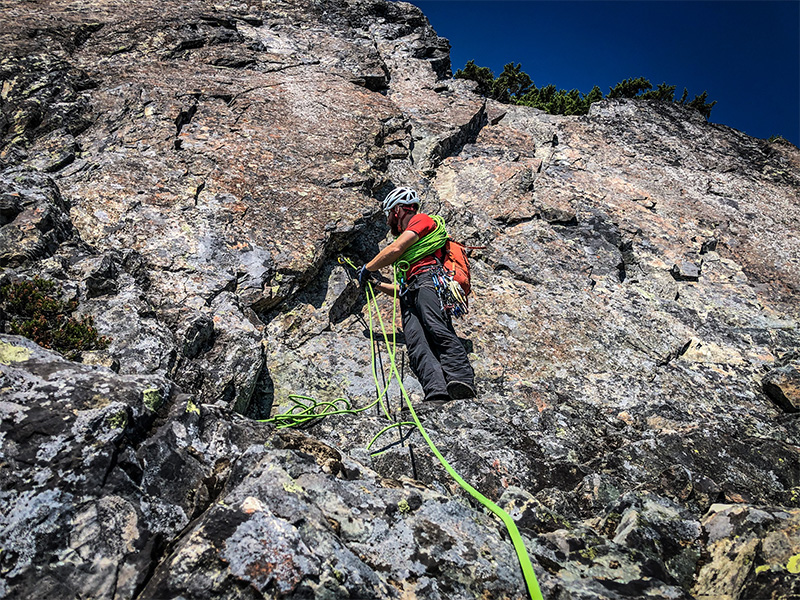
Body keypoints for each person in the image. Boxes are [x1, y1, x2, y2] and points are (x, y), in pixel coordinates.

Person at [357, 187, 476, 405]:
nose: (389, 221)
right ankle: (436, 393)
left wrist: (368, 268)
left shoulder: (421, 220)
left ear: (398, 210)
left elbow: (395, 250)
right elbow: (402, 288)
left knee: (437, 328)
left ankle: (462, 380)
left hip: (428, 279)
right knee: (416, 343)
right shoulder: (409, 262)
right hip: (413, 288)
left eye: (389, 214)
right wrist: (377, 284)